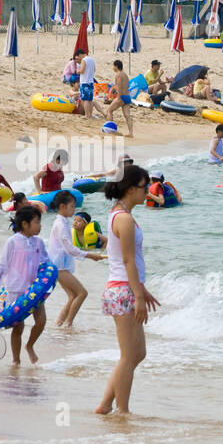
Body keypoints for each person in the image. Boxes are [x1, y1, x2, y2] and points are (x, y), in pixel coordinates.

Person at [95, 164, 159, 416]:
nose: (148, 192)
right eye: (145, 187)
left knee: (137, 354)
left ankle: (105, 405)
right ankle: (122, 411)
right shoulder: (123, 218)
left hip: (125, 287)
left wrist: (142, 289)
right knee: (128, 356)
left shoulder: (120, 213)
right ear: (131, 189)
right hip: (122, 291)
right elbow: (128, 261)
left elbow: (132, 261)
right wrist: (138, 296)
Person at [0, 204, 51, 364]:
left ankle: (30, 345)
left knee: (41, 321)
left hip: (34, 289)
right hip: (16, 289)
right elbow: (2, 264)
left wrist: (51, 275)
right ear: (25, 224)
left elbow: (45, 263)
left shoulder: (39, 242)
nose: (40, 226)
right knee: (18, 327)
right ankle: (16, 360)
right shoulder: (13, 242)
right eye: (37, 222)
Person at [47, 190, 105, 328]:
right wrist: (91, 256)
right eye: (72, 206)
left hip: (60, 266)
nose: (74, 209)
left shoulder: (63, 222)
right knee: (82, 293)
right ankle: (68, 324)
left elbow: (69, 248)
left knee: (73, 296)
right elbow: (69, 249)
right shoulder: (60, 224)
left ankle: (59, 324)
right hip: (59, 267)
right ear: (62, 206)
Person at [79, 51, 97, 117]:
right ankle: (90, 114)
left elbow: (82, 70)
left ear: (81, 54)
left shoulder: (84, 60)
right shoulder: (92, 59)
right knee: (90, 100)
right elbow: (94, 70)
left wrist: (78, 71)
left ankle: (87, 115)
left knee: (85, 100)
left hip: (84, 82)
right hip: (91, 81)